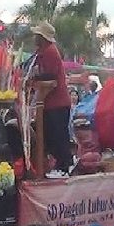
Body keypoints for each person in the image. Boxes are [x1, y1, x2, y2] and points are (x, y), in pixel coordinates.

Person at [29, 22, 73, 175]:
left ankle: (63, 167)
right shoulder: (42, 52)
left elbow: (50, 76)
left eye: (37, 35)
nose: (34, 37)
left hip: (57, 103)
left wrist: (33, 79)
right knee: (50, 137)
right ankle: (56, 165)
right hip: (50, 104)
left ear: (42, 37)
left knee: (58, 137)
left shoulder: (50, 52)